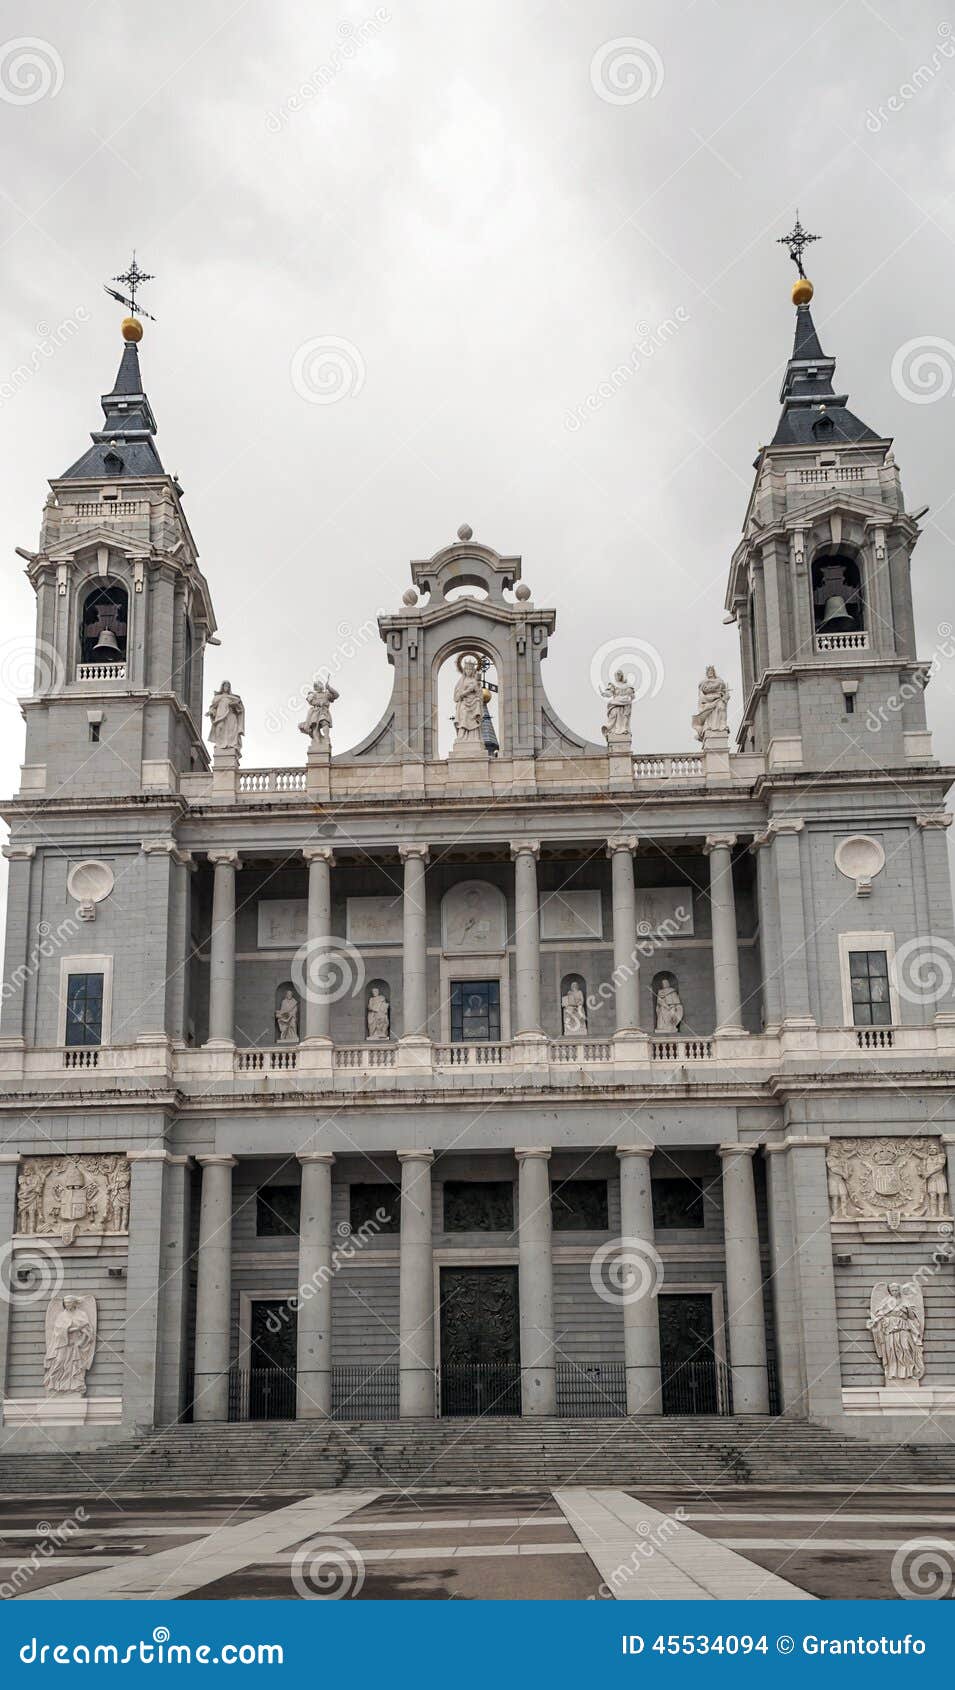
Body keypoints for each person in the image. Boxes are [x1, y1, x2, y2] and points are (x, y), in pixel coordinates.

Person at [692, 666, 729, 743]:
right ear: (707, 673)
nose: (710, 672)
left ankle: (722, 726)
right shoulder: (704, 682)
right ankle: (708, 727)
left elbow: (722, 688)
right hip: (707, 701)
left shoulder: (719, 680)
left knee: (721, 708)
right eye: (709, 671)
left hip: (718, 698)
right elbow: (702, 693)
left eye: (711, 671)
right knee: (708, 713)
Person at [453, 655, 484, 743]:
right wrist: (468, 691)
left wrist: (477, 687)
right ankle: (462, 736)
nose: (469, 671)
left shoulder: (475, 681)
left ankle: (474, 738)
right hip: (464, 703)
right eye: (467, 669)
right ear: (464, 670)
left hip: (474, 703)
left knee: (474, 718)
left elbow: (480, 695)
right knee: (464, 716)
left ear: (473, 670)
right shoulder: (461, 681)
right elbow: (456, 697)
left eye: (470, 669)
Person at [207, 680, 245, 753]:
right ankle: (219, 744)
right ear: (222, 687)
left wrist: (235, 705)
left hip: (231, 716)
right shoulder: (217, 697)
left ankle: (231, 745)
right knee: (219, 728)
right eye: (225, 686)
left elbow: (240, 709)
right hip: (220, 716)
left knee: (231, 731)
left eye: (228, 686)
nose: (226, 688)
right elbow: (213, 707)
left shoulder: (233, 697)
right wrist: (211, 712)